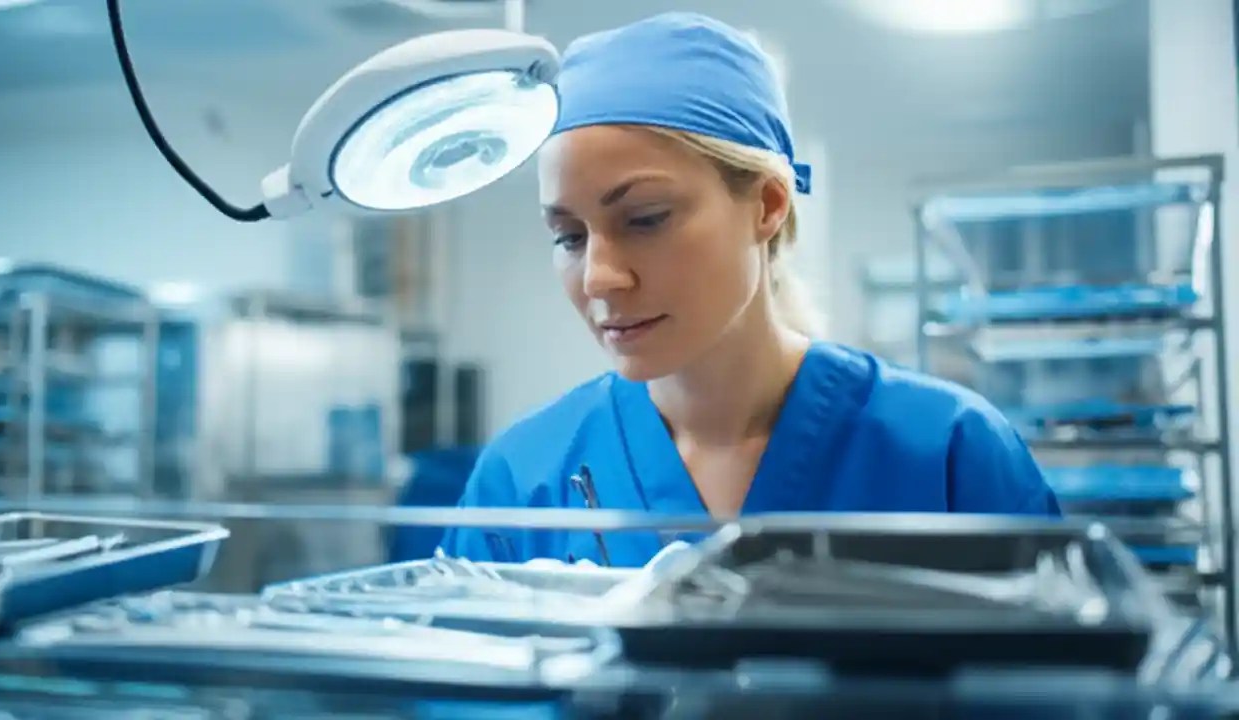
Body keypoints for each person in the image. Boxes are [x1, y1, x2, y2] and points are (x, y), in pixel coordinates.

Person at [439, 11, 1060, 567]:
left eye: (646, 218)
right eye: (570, 237)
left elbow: (1059, 684)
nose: (600, 276)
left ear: (766, 203)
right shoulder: (522, 482)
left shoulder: (946, 452)